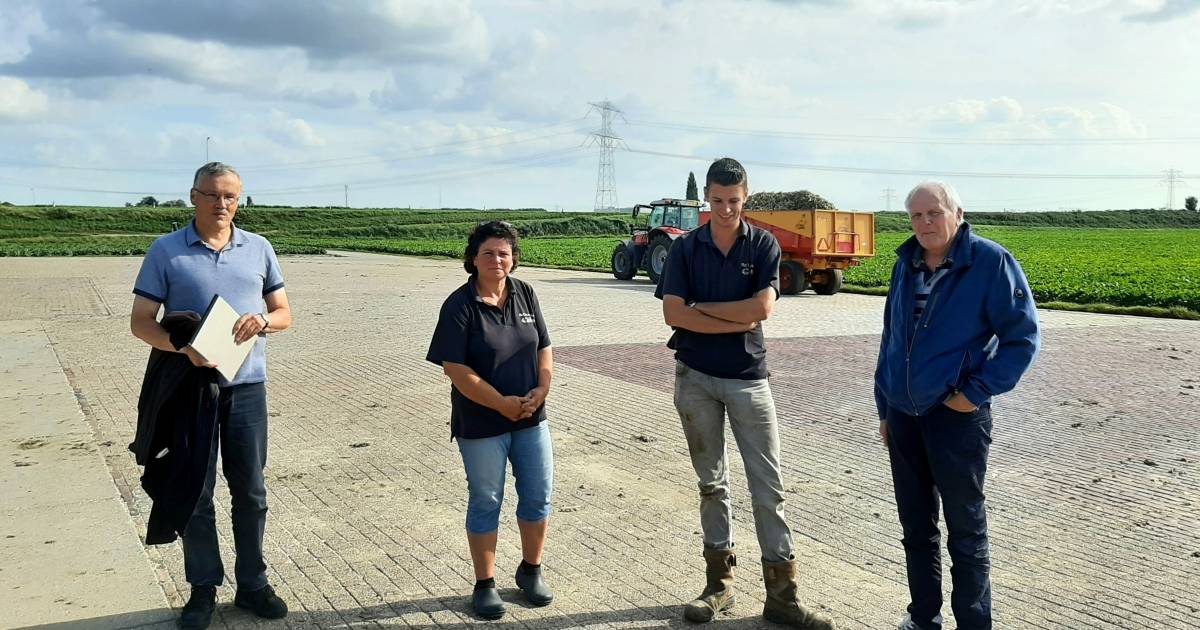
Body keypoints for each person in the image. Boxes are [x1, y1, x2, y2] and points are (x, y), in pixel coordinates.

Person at [656, 157, 835, 630]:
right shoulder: (686, 247)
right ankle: (719, 586)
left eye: (733, 201)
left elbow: (762, 310)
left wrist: (703, 310)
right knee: (712, 485)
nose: (725, 210)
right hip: (694, 379)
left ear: (746, 197)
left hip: (748, 379)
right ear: (706, 197)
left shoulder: (763, 244)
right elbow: (673, 314)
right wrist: (734, 318)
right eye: (717, 200)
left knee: (768, 487)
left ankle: (783, 597)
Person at [130, 162, 292, 630]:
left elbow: (284, 312)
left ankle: (253, 584)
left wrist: (263, 320)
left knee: (251, 491)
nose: (222, 204)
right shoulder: (166, 251)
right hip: (191, 389)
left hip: (247, 389)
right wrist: (183, 348)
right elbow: (141, 322)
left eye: (231, 196)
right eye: (213, 194)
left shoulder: (259, 248)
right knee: (196, 491)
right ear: (193, 196)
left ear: (239, 200)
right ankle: (203, 587)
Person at [874, 181, 1041, 630]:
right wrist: (885, 407)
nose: (925, 223)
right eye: (916, 215)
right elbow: (891, 340)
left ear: (958, 213)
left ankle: (973, 622)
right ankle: (923, 617)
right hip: (904, 415)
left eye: (934, 212)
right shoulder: (906, 264)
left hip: (956, 418)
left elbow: (1022, 339)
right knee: (916, 527)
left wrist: (973, 394)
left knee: (965, 530)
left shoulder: (990, 262)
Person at [425, 220, 555, 620]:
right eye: (488, 253)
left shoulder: (525, 293)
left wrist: (542, 389)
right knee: (487, 499)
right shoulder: (459, 304)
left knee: (538, 494)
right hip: (482, 423)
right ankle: (485, 584)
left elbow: (544, 348)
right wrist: (499, 403)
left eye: (504, 253)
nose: (497, 260)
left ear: (513, 258)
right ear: (473, 258)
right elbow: (455, 369)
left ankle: (531, 570)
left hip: (531, 417)